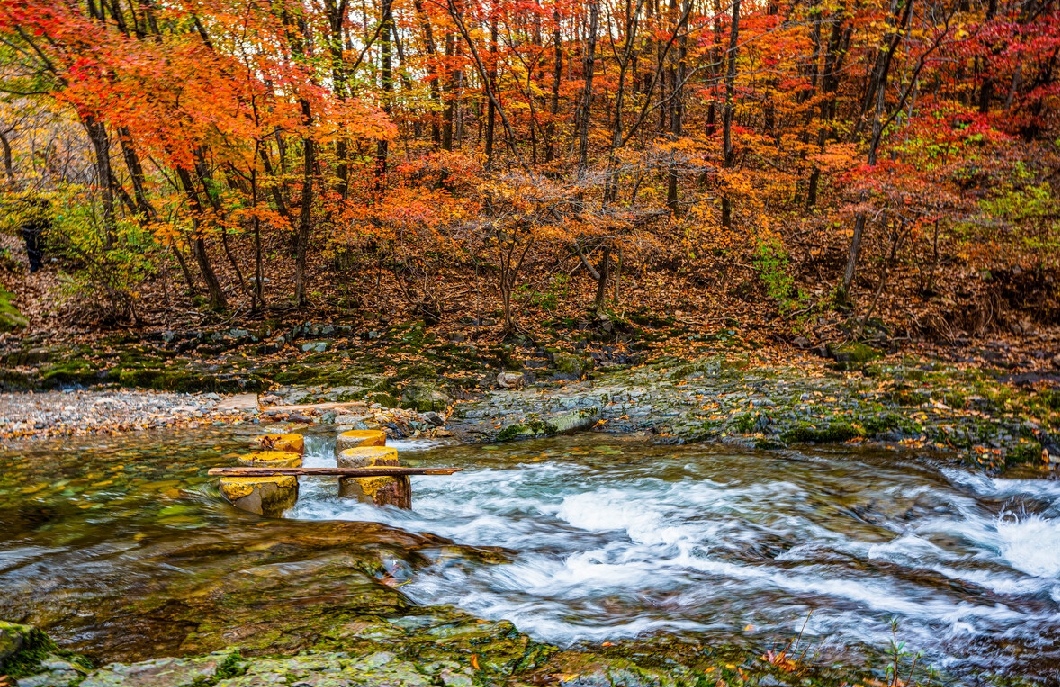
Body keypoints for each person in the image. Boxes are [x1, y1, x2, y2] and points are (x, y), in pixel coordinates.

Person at [21, 197, 48, 273]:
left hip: (42, 220)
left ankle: (37, 259)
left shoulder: (45, 195)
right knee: (30, 242)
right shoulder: (26, 196)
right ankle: (34, 263)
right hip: (28, 221)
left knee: (43, 243)